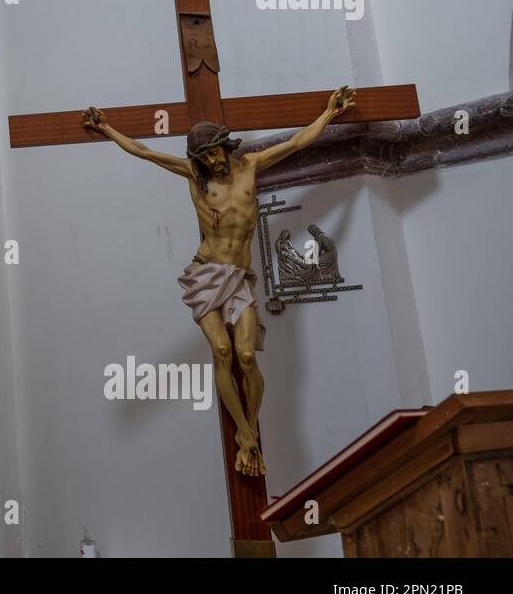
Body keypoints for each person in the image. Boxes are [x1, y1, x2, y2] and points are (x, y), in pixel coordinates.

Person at [81, 86, 357, 477]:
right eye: (204, 156)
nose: (212, 160)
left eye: (215, 151)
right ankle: (247, 435)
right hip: (206, 274)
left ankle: (249, 425)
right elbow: (145, 152)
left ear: (226, 145)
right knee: (223, 353)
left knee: (246, 356)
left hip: (240, 277)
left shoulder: (251, 165)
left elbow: (297, 142)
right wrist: (107, 128)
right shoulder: (194, 177)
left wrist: (329, 113)